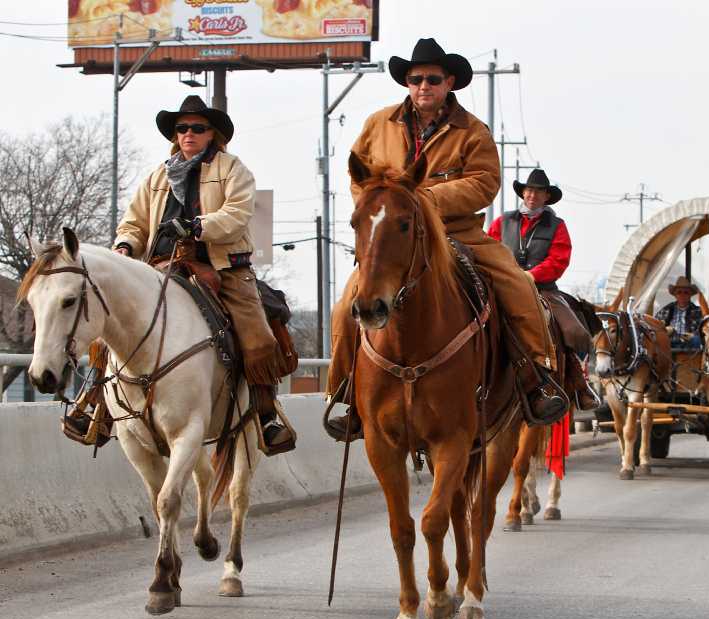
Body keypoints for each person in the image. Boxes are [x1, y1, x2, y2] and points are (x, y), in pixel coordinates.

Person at [325, 38, 567, 441]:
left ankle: (535, 378)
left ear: (449, 82)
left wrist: (425, 201)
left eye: (433, 79)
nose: (424, 86)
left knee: (520, 285)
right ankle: (348, 391)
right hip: (395, 240)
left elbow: (485, 182)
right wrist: (385, 214)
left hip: (459, 233)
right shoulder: (377, 124)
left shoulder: (473, 131)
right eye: (416, 78)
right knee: (344, 309)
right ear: (406, 82)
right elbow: (360, 178)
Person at [109, 95, 295, 454]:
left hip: (223, 267)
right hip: (162, 265)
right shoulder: (156, 176)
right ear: (175, 135)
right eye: (182, 128)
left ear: (212, 134)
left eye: (198, 128)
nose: (189, 133)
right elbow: (134, 222)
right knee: (110, 322)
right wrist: (125, 247)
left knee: (257, 336)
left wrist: (197, 227)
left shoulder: (232, 169)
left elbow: (237, 215)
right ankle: (97, 406)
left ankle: (266, 413)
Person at [487, 168, 599, 410]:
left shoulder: (557, 225)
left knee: (573, 331)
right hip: (504, 286)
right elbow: (489, 251)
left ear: (546, 196)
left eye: (538, 191)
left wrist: (531, 275)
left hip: (542, 289)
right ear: (523, 193)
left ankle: (579, 385)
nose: (532, 195)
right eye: (529, 190)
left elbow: (559, 259)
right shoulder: (502, 221)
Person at [654, 276, 702, 352]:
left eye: (686, 292)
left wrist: (693, 335)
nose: (682, 295)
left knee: (697, 340)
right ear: (675, 295)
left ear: (690, 295)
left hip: (689, 343)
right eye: (679, 292)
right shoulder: (666, 309)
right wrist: (665, 330)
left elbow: (704, 328)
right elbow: (655, 325)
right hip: (669, 341)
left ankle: (696, 362)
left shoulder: (698, 311)